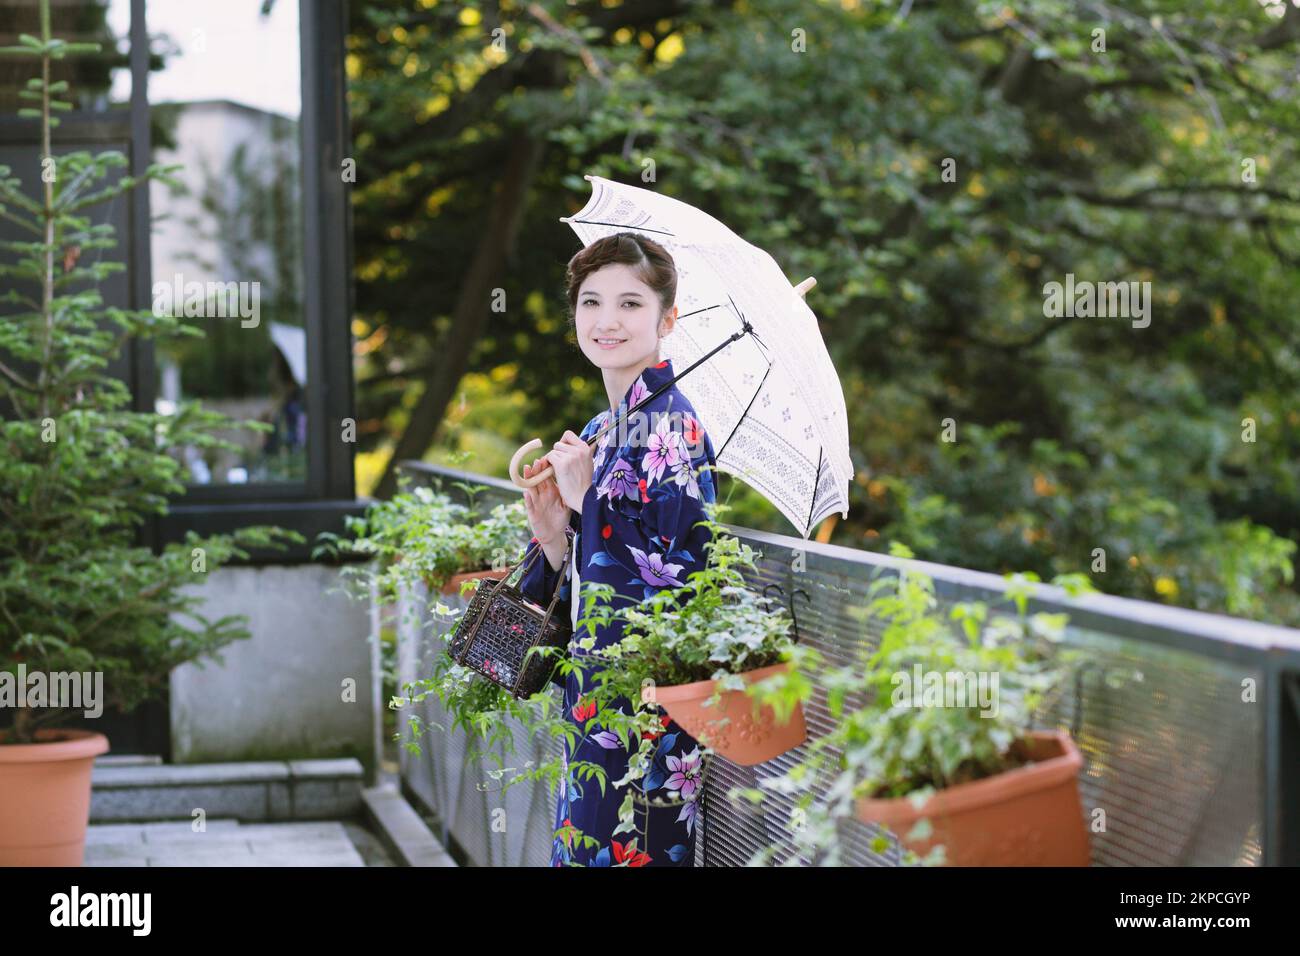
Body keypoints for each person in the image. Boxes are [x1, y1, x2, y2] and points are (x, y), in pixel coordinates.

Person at [518, 231, 718, 867]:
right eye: (591, 302)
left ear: (668, 319)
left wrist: (588, 504)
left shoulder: (674, 426)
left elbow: (685, 575)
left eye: (631, 304)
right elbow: (587, 568)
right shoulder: (605, 427)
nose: (607, 321)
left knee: (634, 854)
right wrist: (554, 536)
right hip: (595, 693)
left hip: (649, 703)